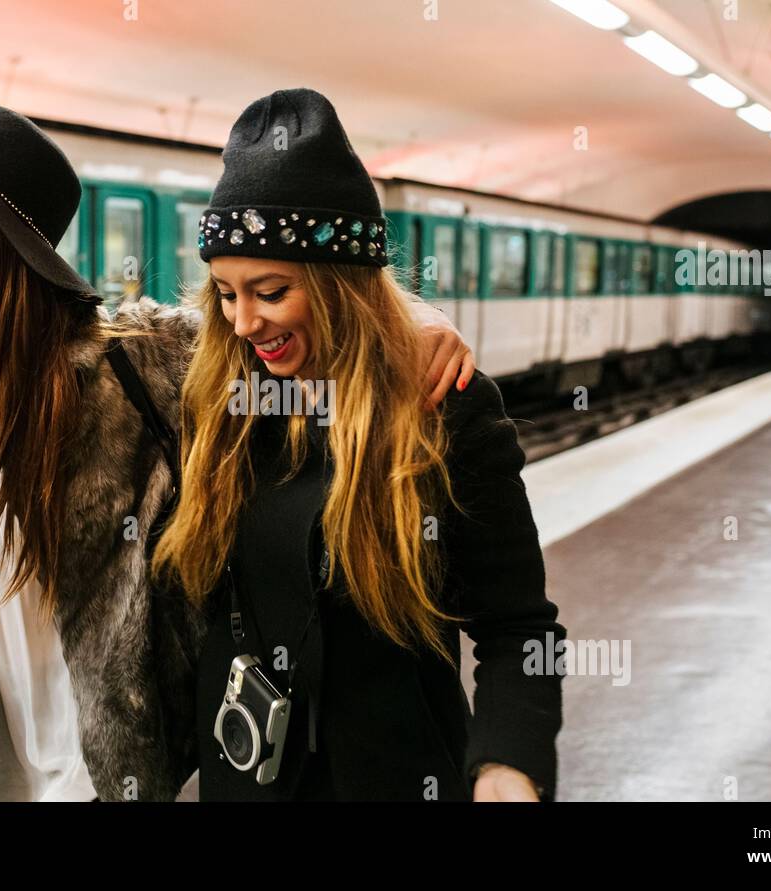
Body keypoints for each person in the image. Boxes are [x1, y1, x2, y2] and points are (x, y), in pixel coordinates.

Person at [0, 102, 476, 801]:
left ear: (7, 239)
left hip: (115, 775)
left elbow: (289, 318)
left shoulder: (128, 370)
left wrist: (418, 321)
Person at [152, 89, 566, 802]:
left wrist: (508, 760)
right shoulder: (215, 400)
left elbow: (518, 626)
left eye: (272, 291)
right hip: (249, 776)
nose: (244, 321)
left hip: (403, 776)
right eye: (224, 292)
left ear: (339, 286)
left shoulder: (443, 405)